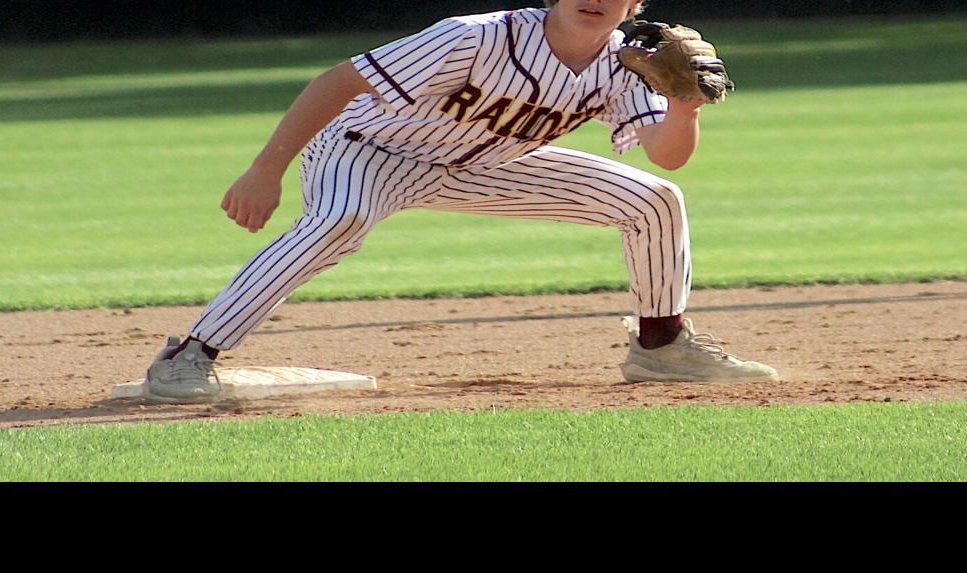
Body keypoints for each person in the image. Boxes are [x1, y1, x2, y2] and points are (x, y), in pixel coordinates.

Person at [144, 0, 777, 401]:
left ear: (635, 3)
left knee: (655, 198)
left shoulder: (629, 64)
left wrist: (686, 106)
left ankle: (661, 348)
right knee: (340, 220)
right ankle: (188, 357)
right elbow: (338, 82)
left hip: (483, 165)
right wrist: (265, 168)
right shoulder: (473, 37)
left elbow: (665, 153)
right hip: (370, 149)